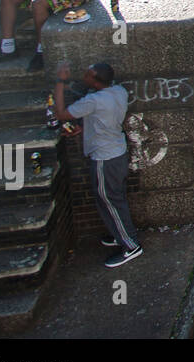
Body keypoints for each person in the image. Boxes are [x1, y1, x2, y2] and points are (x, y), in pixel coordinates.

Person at [51, 60, 142, 267]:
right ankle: (118, 233)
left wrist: (60, 81)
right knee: (114, 198)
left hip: (104, 159)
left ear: (96, 81)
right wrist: (85, 131)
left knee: (110, 201)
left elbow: (61, 114)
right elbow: (102, 120)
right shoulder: (118, 92)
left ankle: (131, 245)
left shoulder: (94, 101)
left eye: (87, 75)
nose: (83, 77)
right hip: (117, 153)